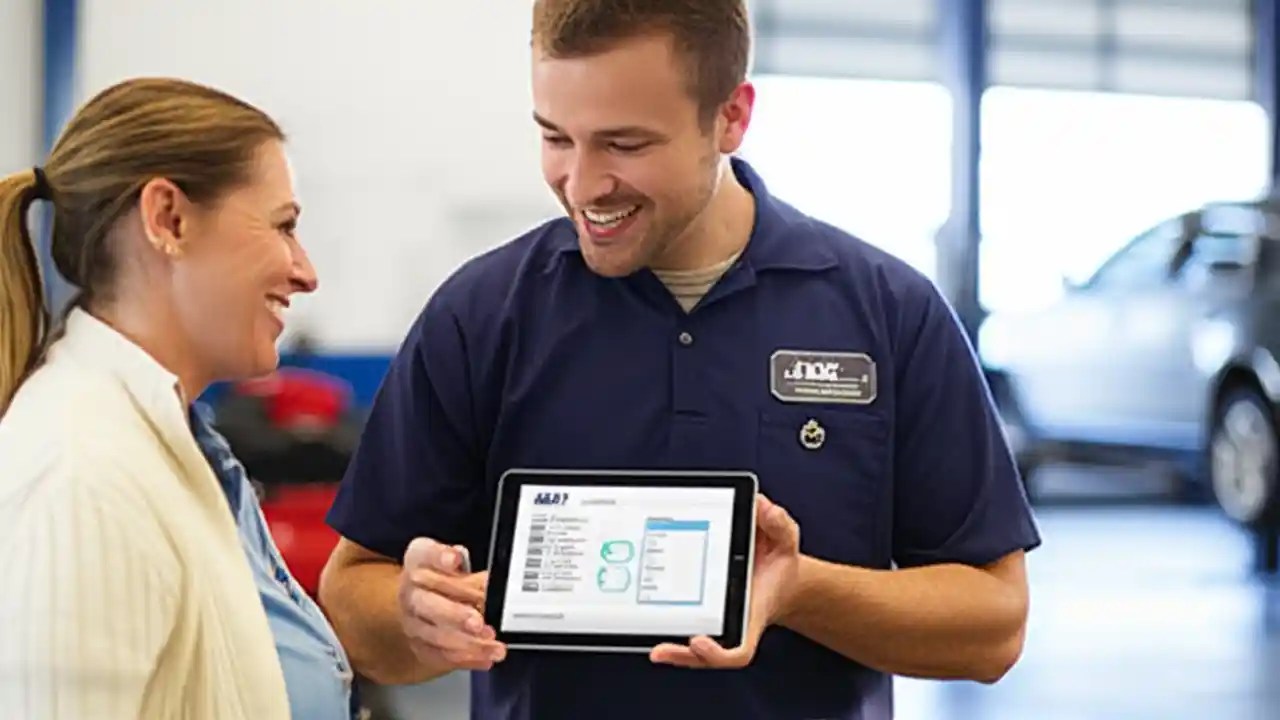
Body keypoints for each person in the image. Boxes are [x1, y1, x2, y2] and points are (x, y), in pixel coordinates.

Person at [318, 0, 1042, 718]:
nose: (582, 185)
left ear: (731, 117)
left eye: (625, 145)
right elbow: (353, 599)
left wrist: (801, 590)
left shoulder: (886, 314)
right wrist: (414, 614)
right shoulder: (482, 316)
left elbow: (993, 624)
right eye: (555, 138)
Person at [0, 77, 358, 720]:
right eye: (283, 227)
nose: (305, 270)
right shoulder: (81, 476)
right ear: (168, 219)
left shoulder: (177, 444)